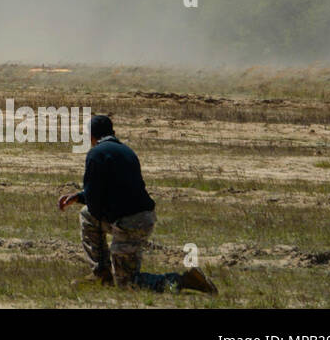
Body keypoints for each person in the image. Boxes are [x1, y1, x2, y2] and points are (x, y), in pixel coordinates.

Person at [57, 114, 217, 294]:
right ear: (113, 132)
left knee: (128, 283)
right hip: (143, 217)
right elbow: (115, 189)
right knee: (87, 215)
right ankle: (101, 274)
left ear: (91, 136)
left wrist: (102, 215)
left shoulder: (95, 154)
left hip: (129, 224)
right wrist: (79, 197)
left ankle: (184, 280)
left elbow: (95, 199)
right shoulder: (126, 151)